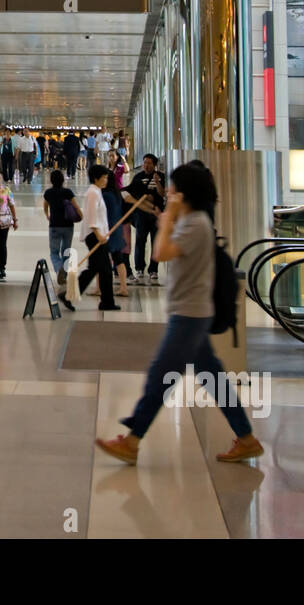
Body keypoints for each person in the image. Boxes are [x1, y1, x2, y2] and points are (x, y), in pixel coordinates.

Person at [96, 163, 264, 465]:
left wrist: (168, 218)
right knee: (213, 378)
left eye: (172, 186)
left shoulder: (196, 223)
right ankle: (247, 438)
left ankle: (132, 442)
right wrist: (170, 218)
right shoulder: (193, 220)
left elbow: (160, 253)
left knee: (161, 376)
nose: (167, 190)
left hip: (189, 315)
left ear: (184, 192)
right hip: (190, 312)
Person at [72, 164, 120, 312]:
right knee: (100, 269)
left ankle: (106, 302)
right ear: (96, 178)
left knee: (100, 270)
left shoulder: (97, 191)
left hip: (99, 236)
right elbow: (91, 216)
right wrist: (99, 235)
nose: (106, 180)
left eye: (106, 177)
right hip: (94, 236)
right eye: (104, 177)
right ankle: (70, 295)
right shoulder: (93, 193)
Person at [123, 153, 165, 285]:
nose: (146, 165)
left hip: (156, 215)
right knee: (140, 241)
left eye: (149, 163)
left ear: (155, 165)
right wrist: (145, 198)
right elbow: (132, 194)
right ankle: (139, 267)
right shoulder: (138, 177)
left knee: (155, 241)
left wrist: (157, 182)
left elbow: (163, 194)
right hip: (141, 214)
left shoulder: (161, 177)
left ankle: (154, 269)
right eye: (145, 162)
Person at [43, 168, 81, 285]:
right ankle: (63, 273)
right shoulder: (68, 192)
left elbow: (45, 205)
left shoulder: (48, 193)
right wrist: (80, 215)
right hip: (68, 226)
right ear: (63, 180)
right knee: (66, 250)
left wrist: (47, 215)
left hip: (54, 225)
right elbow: (76, 206)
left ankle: (58, 267)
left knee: (54, 252)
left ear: (51, 180)